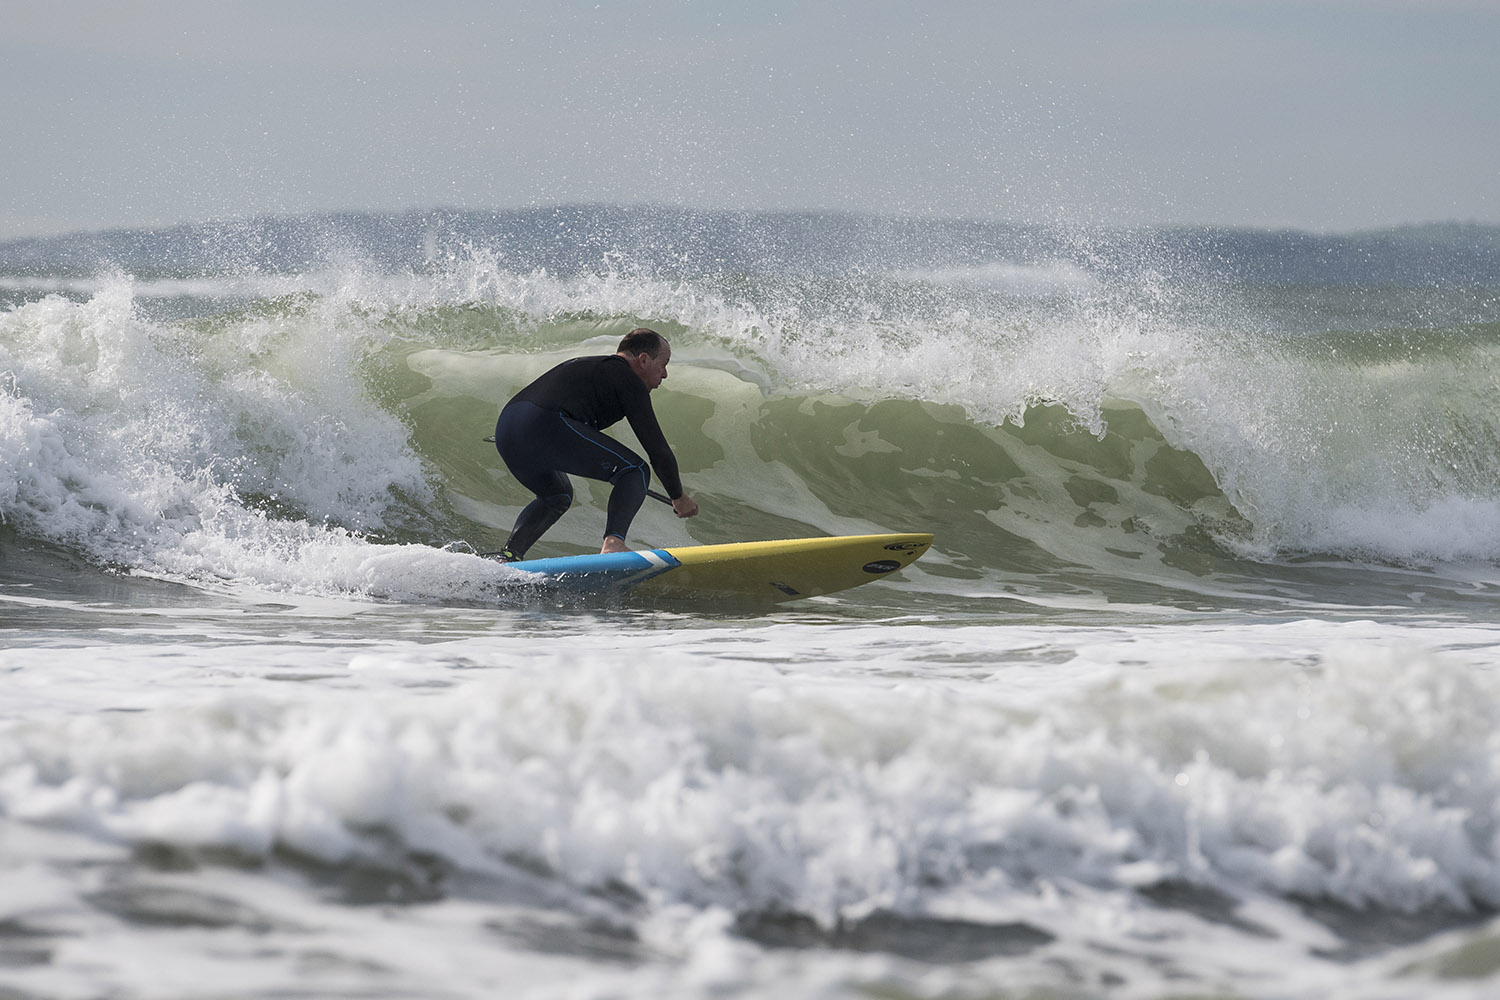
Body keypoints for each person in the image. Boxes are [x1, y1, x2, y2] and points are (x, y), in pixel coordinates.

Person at [490, 328, 699, 561]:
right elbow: (657, 450)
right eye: (664, 364)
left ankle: (508, 555)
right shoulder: (627, 378)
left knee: (556, 496)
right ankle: (613, 543)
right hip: (544, 423)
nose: (665, 374)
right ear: (643, 360)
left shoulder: (594, 367)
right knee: (634, 470)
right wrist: (678, 496)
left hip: (507, 429)